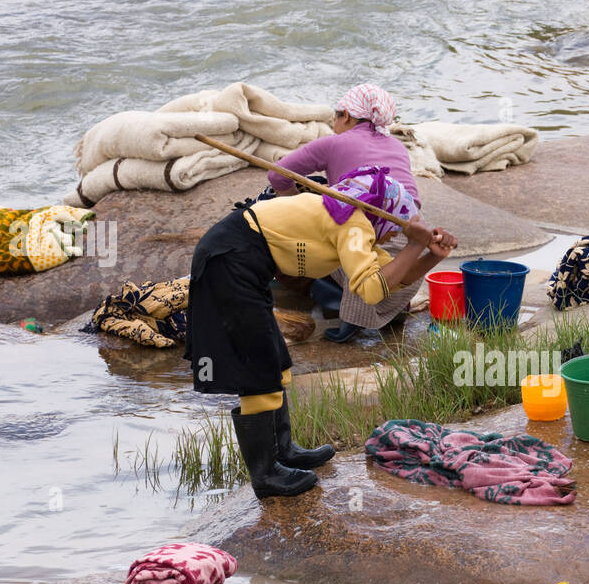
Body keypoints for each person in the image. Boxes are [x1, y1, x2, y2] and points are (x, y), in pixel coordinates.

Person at [184, 167, 457, 499]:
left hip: (243, 261)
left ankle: (283, 451)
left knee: (276, 362)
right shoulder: (353, 222)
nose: (390, 239)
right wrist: (414, 245)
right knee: (257, 369)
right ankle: (266, 475)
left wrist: (429, 256)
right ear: (386, 217)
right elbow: (371, 291)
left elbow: (389, 276)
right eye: (395, 230)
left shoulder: (354, 222)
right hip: (229, 261)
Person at [267, 83, 425, 343]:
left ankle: (349, 314)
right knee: (361, 229)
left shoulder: (333, 143)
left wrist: (296, 206)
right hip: (410, 249)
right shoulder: (397, 147)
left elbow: (276, 174)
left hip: (366, 248)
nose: (334, 125)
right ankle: (394, 308)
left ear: (347, 116)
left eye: (336, 117)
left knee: (299, 248)